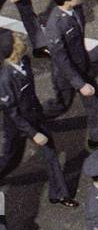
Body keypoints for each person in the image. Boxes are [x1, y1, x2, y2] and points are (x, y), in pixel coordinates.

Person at [0, 28, 75, 208]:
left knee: (51, 154)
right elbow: (13, 113)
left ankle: (59, 194)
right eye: (16, 40)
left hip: (35, 116)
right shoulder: (5, 79)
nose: (20, 40)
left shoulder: (24, 61)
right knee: (12, 158)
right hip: (18, 126)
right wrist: (33, 134)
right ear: (12, 50)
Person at [43, 0, 98, 150]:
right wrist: (80, 84)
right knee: (62, 105)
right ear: (66, 0)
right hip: (67, 75)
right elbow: (62, 60)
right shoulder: (55, 26)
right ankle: (30, 120)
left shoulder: (77, 9)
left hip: (84, 66)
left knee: (95, 104)